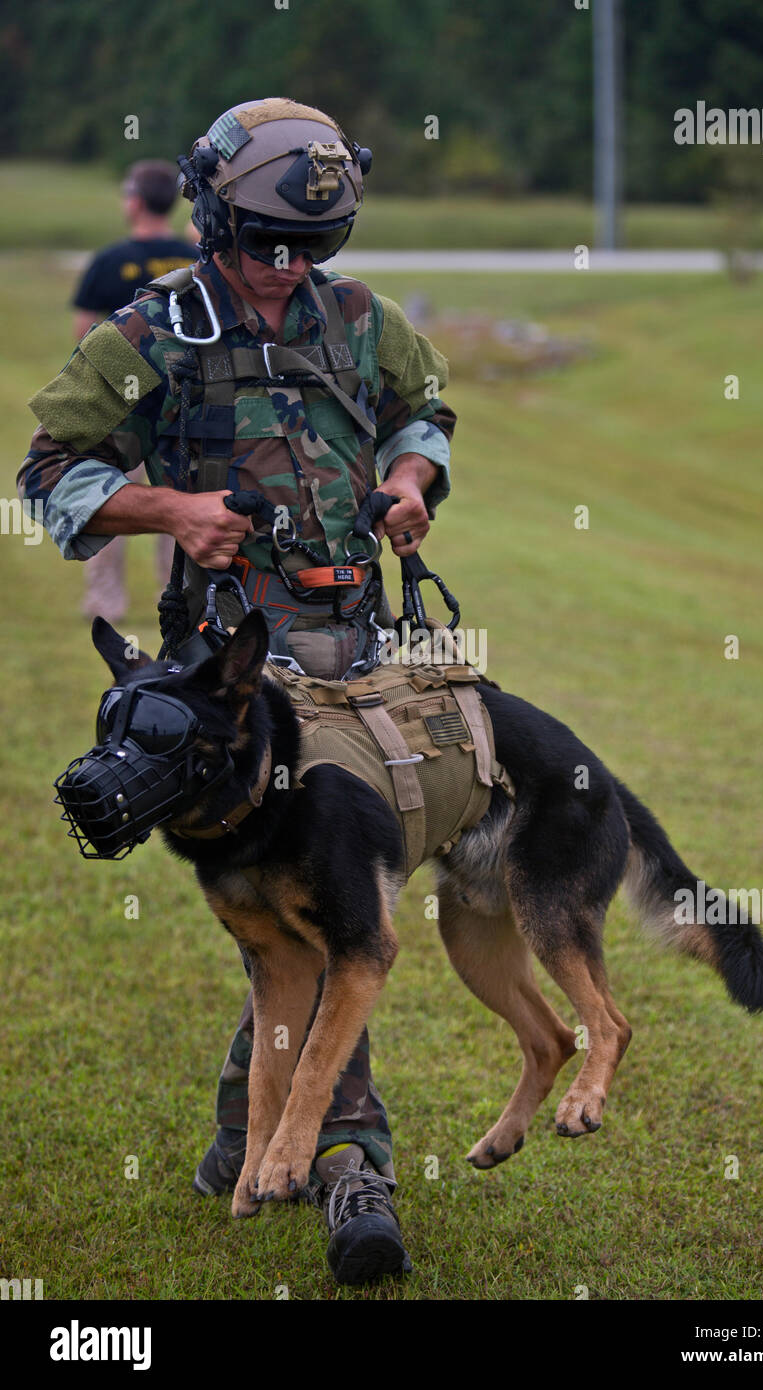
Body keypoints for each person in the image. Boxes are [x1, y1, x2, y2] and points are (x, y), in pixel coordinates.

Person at [17, 98, 456, 1286]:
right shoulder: (153, 328)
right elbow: (46, 475)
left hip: (359, 654)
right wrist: (172, 510)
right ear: (214, 217)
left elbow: (424, 411)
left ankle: (238, 1136)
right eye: (266, 241)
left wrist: (412, 481)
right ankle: (351, 1164)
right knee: (322, 908)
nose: (288, 267)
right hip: (230, 673)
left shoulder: (361, 319)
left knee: (301, 907)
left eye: (313, 245)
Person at [73, 160, 193, 624]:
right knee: (181, 504)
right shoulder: (193, 258)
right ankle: (180, 596)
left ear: (136, 201)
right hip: (182, 401)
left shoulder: (109, 261)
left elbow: (85, 333)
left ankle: (105, 602)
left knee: (107, 500)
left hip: (119, 405)